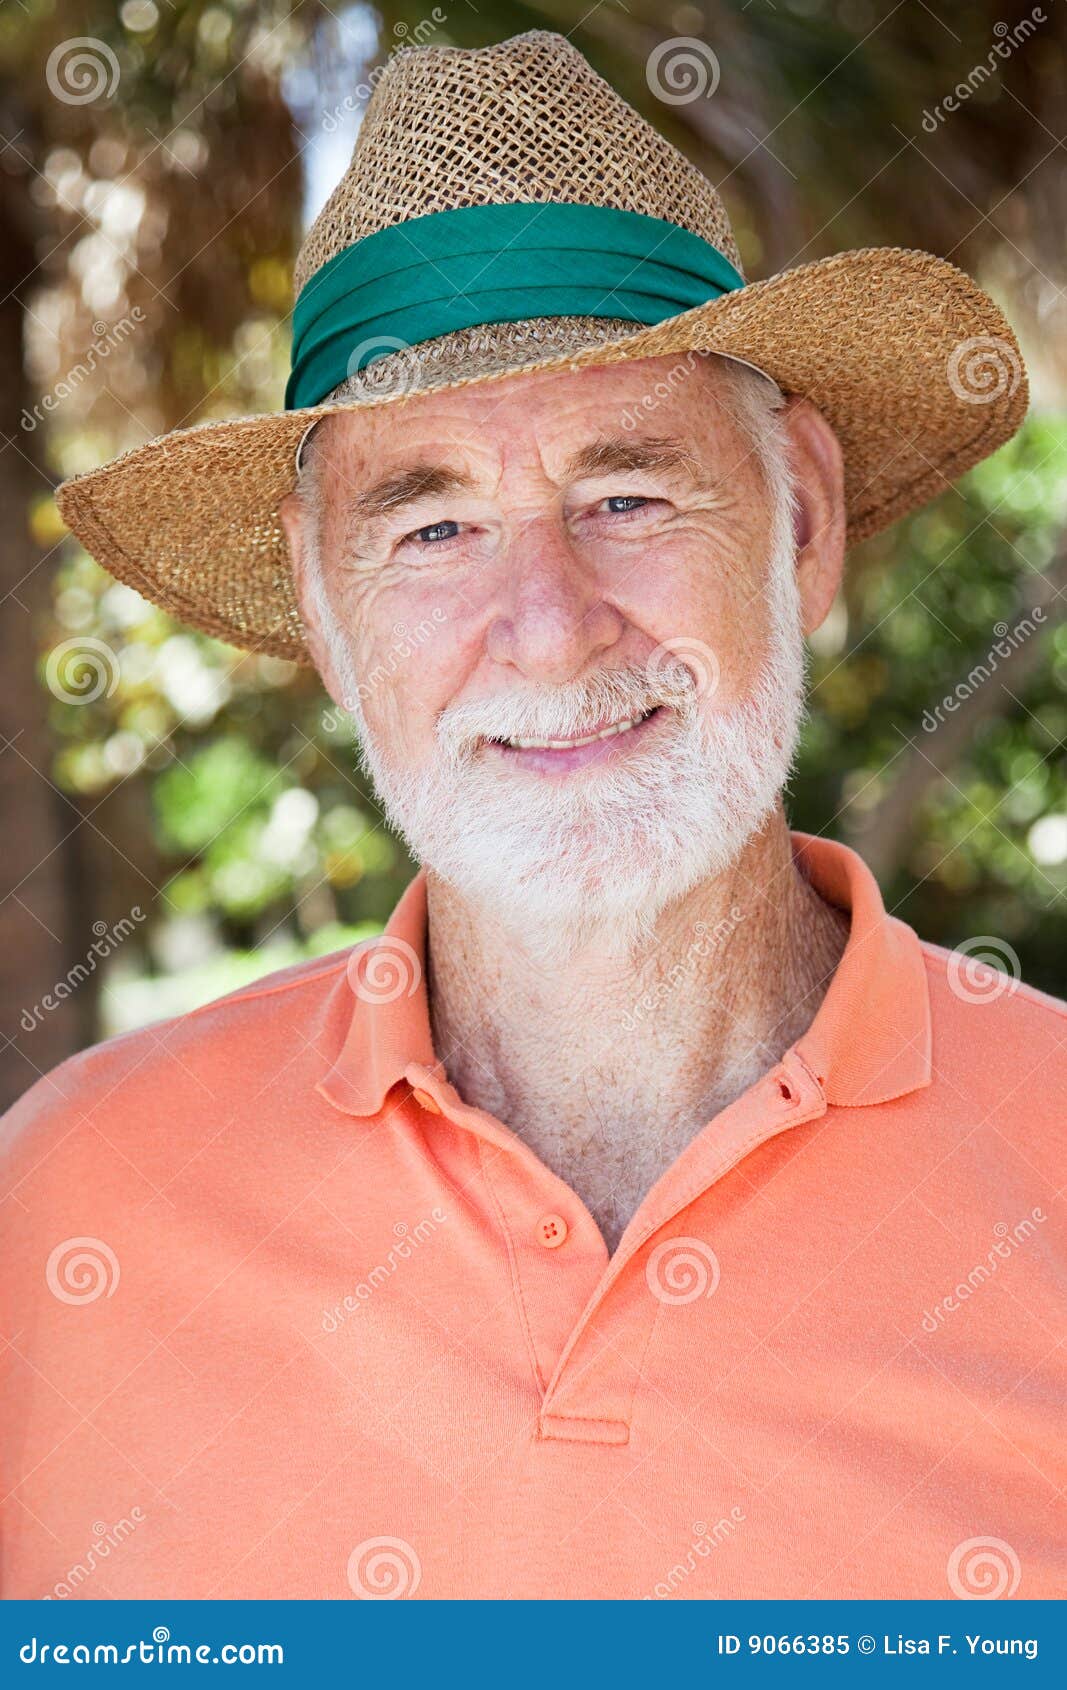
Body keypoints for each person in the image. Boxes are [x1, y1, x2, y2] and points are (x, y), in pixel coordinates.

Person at [3, 31, 1062, 1602]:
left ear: (805, 517)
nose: (552, 632)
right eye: (434, 527)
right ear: (320, 602)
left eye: (628, 497)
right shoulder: (68, 1207)